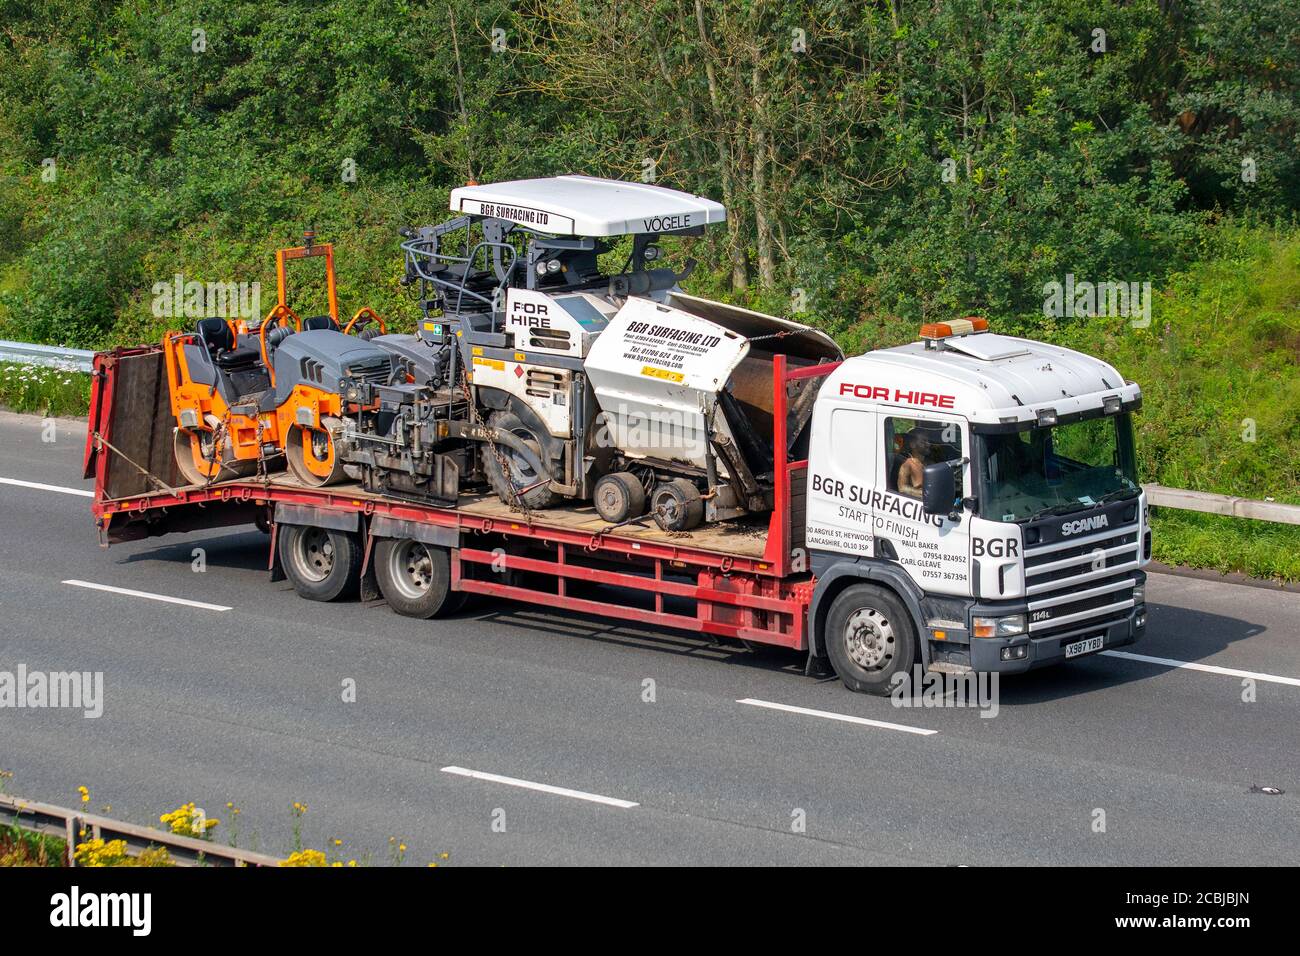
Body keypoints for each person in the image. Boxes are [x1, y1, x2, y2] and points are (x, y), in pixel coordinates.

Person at [897, 430, 930, 498]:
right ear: (913, 444)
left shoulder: (931, 463)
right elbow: (902, 488)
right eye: (923, 441)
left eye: (928, 441)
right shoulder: (907, 464)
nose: (928, 444)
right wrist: (923, 493)